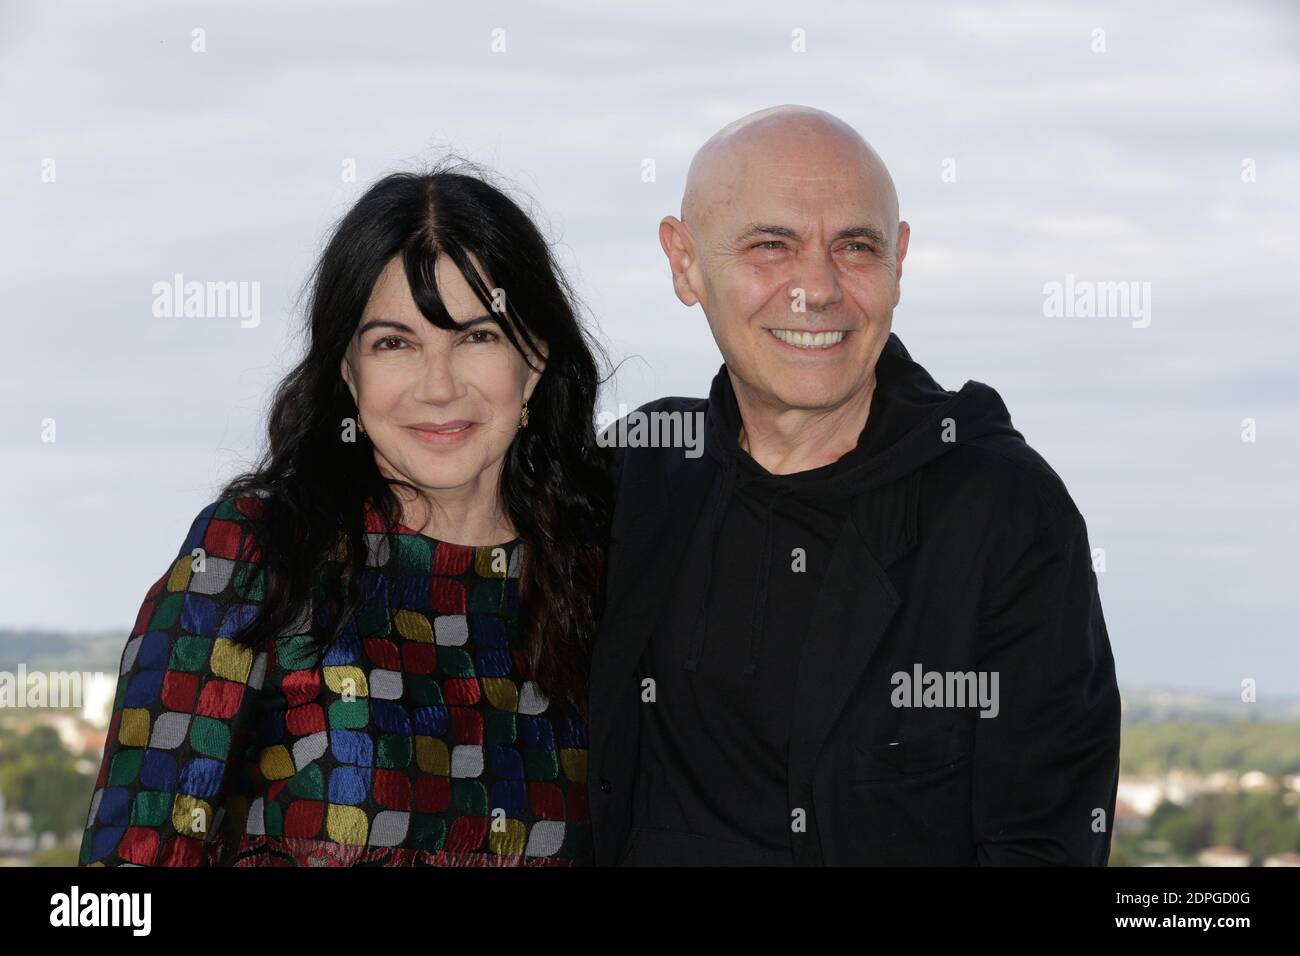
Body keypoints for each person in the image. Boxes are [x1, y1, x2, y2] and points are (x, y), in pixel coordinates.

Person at [588, 105, 1122, 866]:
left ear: (900, 260)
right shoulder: (636, 472)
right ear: (685, 262)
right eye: (771, 245)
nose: (817, 288)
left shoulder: (1003, 514)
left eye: (856, 247)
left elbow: (1046, 845)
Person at [80, 161, 612, 866]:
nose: (438, 386)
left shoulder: (602, 568)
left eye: (477, 336)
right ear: (348, 372)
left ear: (536, 360)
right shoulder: (257, 553)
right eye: (395, 343)